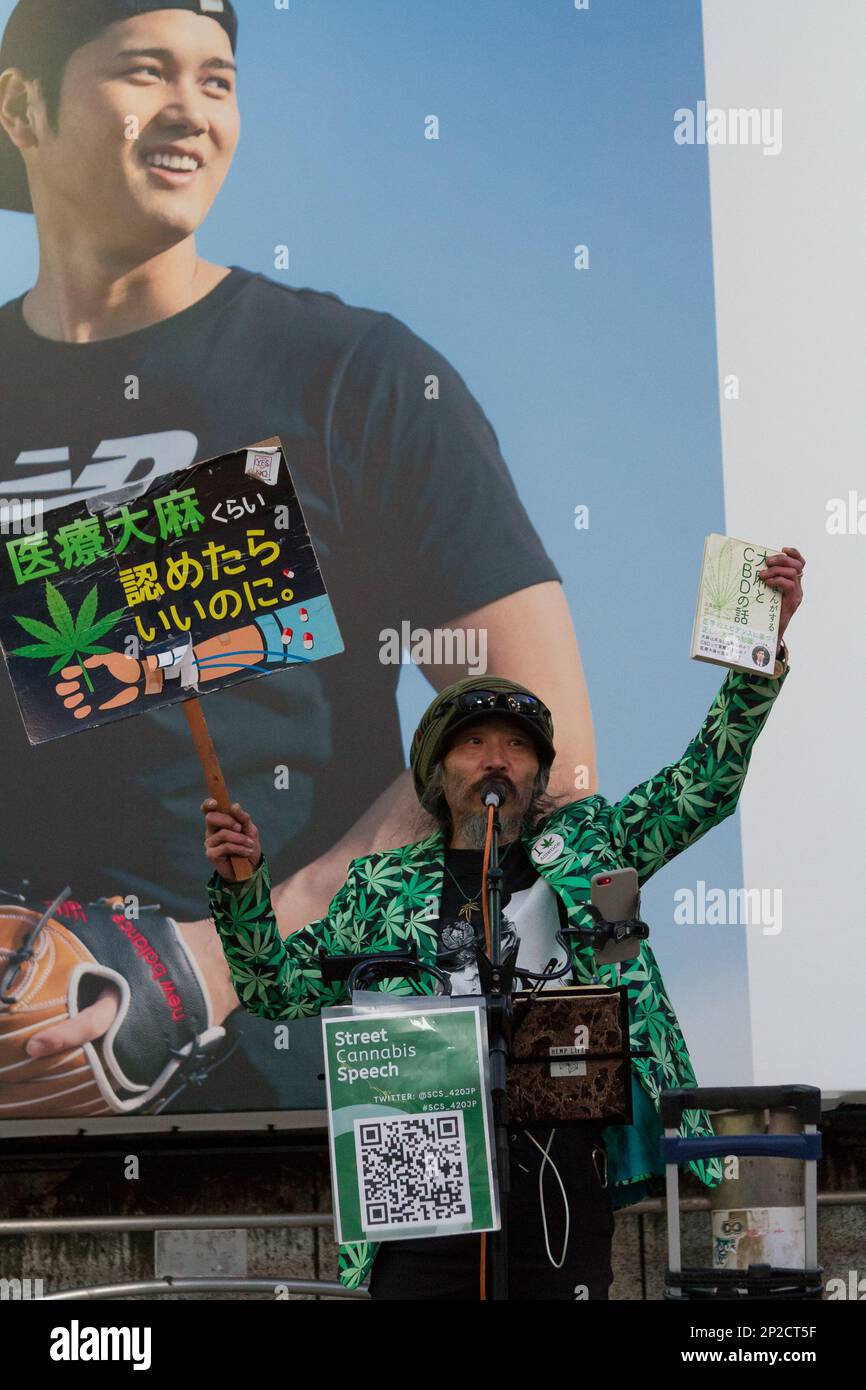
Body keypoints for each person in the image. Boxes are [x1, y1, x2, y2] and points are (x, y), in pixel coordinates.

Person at [0, 0, 596, 938]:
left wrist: (232, 959)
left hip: (302, 1060)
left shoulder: (353, 376)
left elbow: (540, 741)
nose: (192, 109)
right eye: (145, 70)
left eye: (218, 80)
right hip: (30, 1061)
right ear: (22, 110)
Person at [202, 548, 806, 1298]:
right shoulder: (380, 885)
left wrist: (758, 658)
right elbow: (271, 990)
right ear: (435, 773)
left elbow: (705, 784)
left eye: (519, 747)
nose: (498, 759)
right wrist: (242, 888)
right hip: (420, 1178)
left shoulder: (593, 845)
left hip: (561, 1167)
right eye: (475, 742)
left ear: (539, 774)